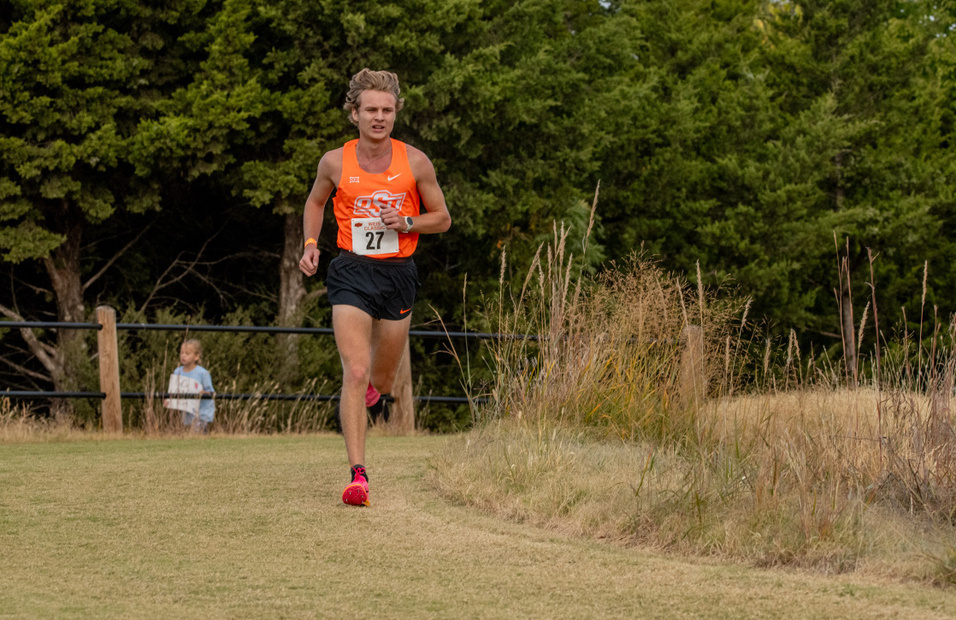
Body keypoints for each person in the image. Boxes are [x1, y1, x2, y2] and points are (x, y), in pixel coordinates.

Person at [299, 68, 451, 507]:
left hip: (398, 273)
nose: (379, 117)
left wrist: (406, 221)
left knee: (381, 380)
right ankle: (358, 476)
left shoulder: (415, 162)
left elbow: (442, 218)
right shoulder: (334, 161)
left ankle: (372, 397)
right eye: (371, 110)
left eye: (387, 110)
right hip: (350, 270)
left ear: (396, 113)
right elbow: (314, 202)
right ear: (354, 114)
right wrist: (311, 244)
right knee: (357, 369)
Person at [167, 338, 216, 432]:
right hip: (186, 413)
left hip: (201, 412)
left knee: (199, 434)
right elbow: (174, 391)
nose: (183, 356)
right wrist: (169, 400)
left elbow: (211, 393)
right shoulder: (177, 372)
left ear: (196, 357)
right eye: (182, 353)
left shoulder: (203, 373)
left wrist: (202, 393)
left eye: (187, 353)